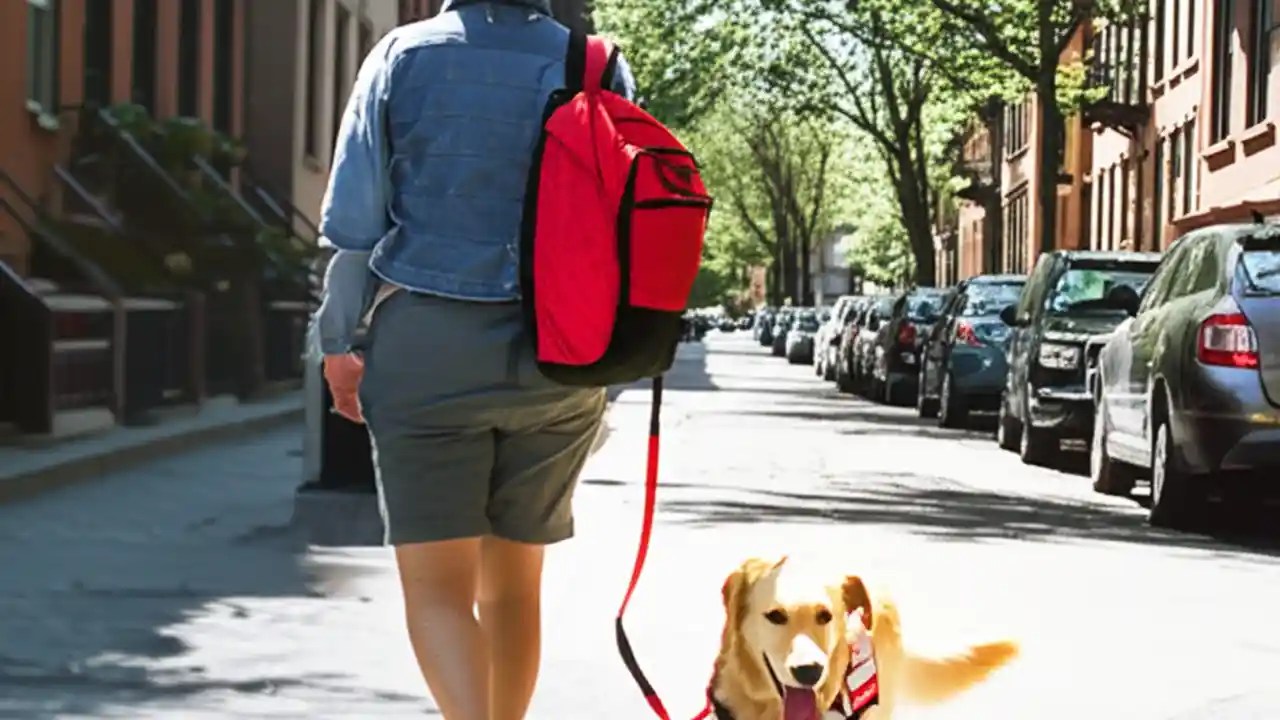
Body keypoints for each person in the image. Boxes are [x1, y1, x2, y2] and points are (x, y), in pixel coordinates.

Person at [311, 2, 636, 718]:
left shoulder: (402, 55)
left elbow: (355, 224)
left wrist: (337, 341)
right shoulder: (597, 63)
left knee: (437, 592)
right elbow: (625, 210)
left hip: (427, 347)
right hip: (560, 353)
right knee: (516, 589)